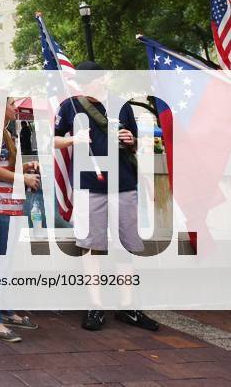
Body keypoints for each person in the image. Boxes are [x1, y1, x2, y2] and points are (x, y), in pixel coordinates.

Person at [54, 61, 159, 332]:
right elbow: (50, 140)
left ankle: (128, 307)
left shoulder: (122, 105)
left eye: (91, 79)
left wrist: (130, 140)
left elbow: (135, 141)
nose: (86, 84)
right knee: (91, 247)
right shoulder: (70, 106)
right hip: (89, 185)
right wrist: (72, 140)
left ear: (103, 78)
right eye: (82, 80)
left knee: (127, 245)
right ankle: (95, 306)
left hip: (124, 183)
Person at [0, 99, 40, 342]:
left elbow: (5, 166)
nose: (15, 108)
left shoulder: (3, 132)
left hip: (9, 206)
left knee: (6, 261)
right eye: (11, 103)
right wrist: (24, 178)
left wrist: (25, 168)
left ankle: (5, 311)